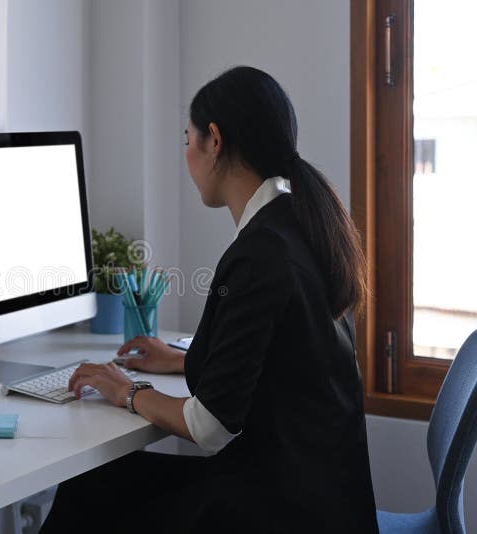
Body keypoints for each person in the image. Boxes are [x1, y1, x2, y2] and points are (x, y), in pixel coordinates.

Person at [39, 66, 378, 533]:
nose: (186, 154)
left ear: (214, 140)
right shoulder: (301, 225)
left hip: (280, 510)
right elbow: (287, 354)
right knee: (96, 484)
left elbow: (209, 427)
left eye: (187, 139)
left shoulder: (260, 254)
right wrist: (183, 360)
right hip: (321, 495)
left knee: (88, 494)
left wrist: (126, 390)